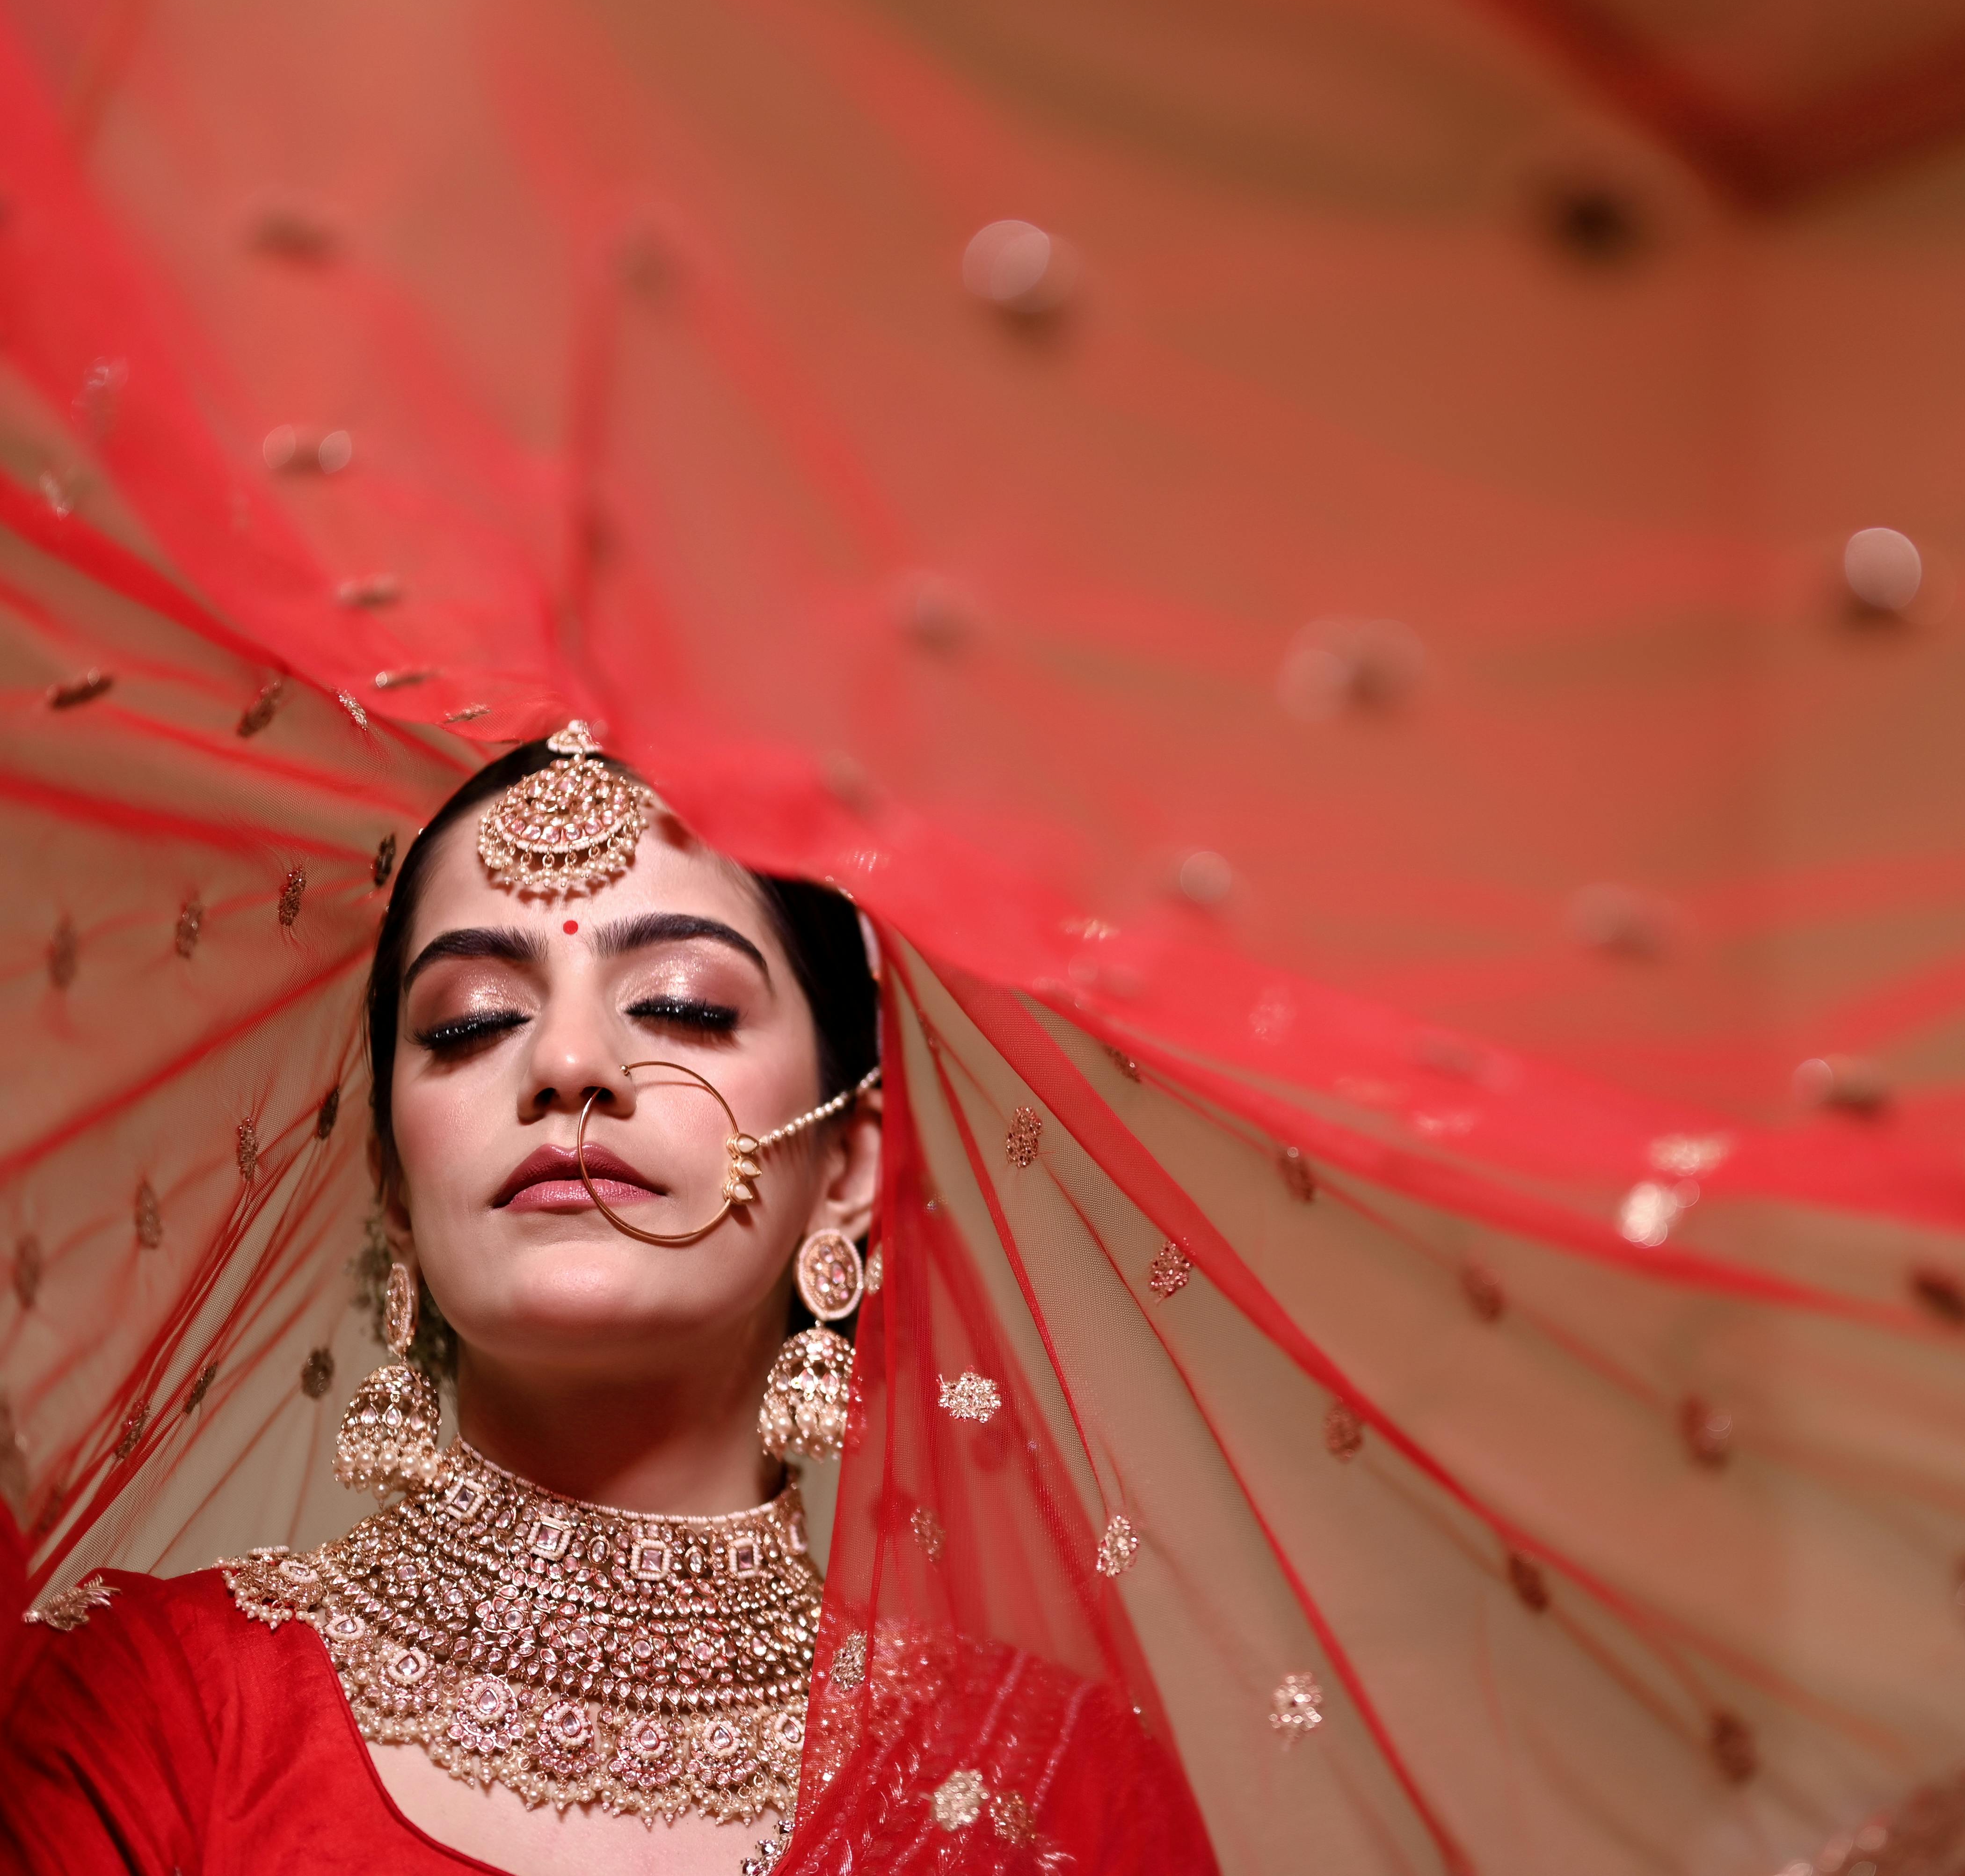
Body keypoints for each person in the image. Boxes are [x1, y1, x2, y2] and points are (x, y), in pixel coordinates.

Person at [0, 729, 1213, 1876]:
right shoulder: (165, 1708)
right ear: (395, 1186)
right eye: (471, 1023)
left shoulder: (1052, 1784)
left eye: (682, 1004)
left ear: (848, 1169)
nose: (568, 1063)